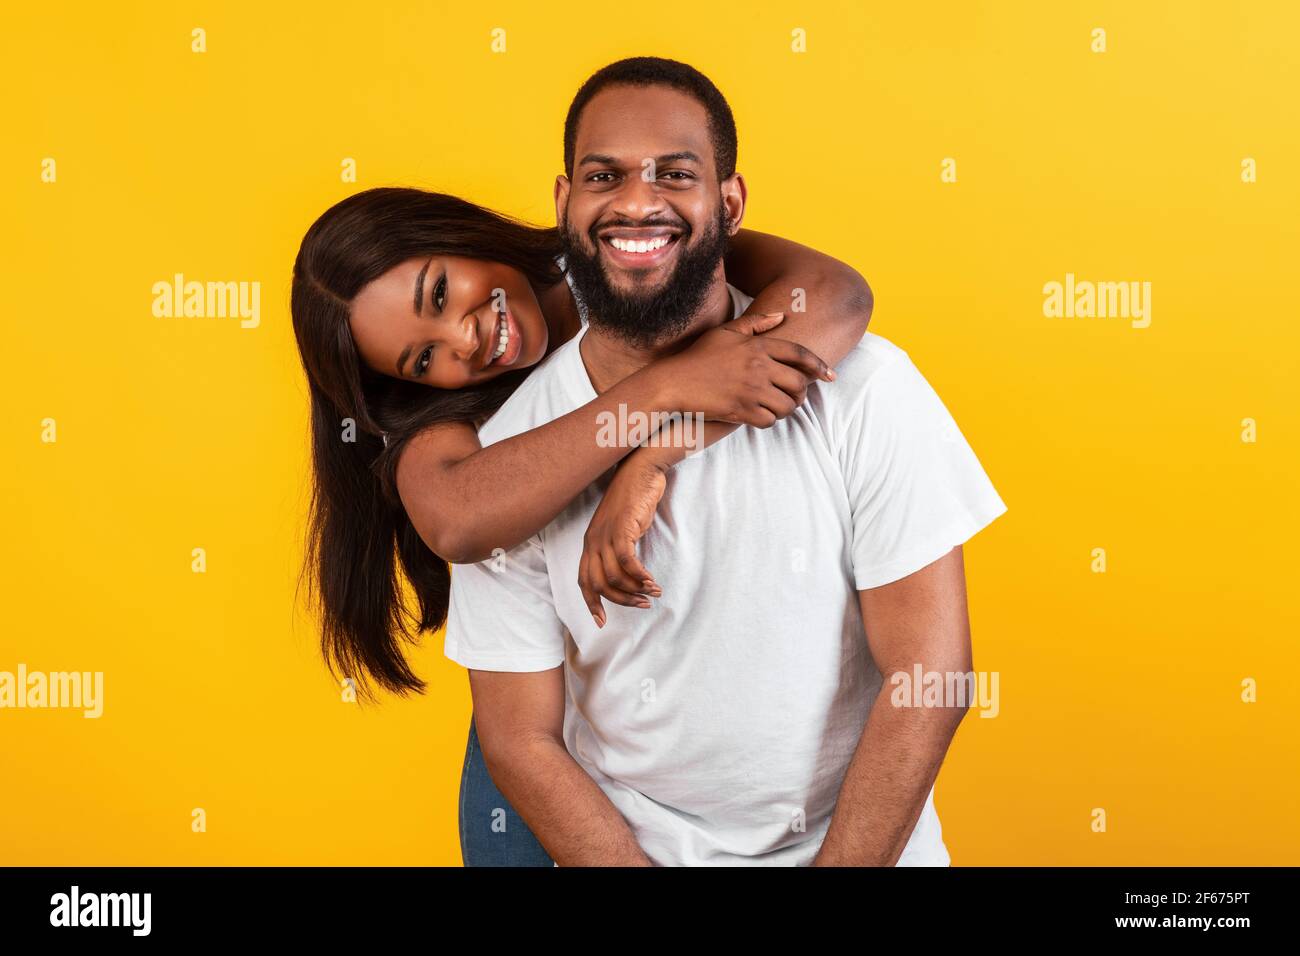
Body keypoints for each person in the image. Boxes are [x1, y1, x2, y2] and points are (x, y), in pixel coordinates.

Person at [444, 56, 1008, 866]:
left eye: (675, 173)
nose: (638, 201)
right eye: (604, 176)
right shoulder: (518, 457)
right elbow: (519, 737)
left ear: (730, 203)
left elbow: (931, 675)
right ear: (565, 203)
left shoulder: (866, 387)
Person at [290, 178, 875, 860]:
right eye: (424, 358)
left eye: (441, 293)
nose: (466, 338)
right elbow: (458, 521)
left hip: (691, 747)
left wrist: (653, 457)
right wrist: (667, 387)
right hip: (543, 768)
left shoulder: (623, 250)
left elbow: (835, 296)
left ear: (460, 234)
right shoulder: (438, 423)